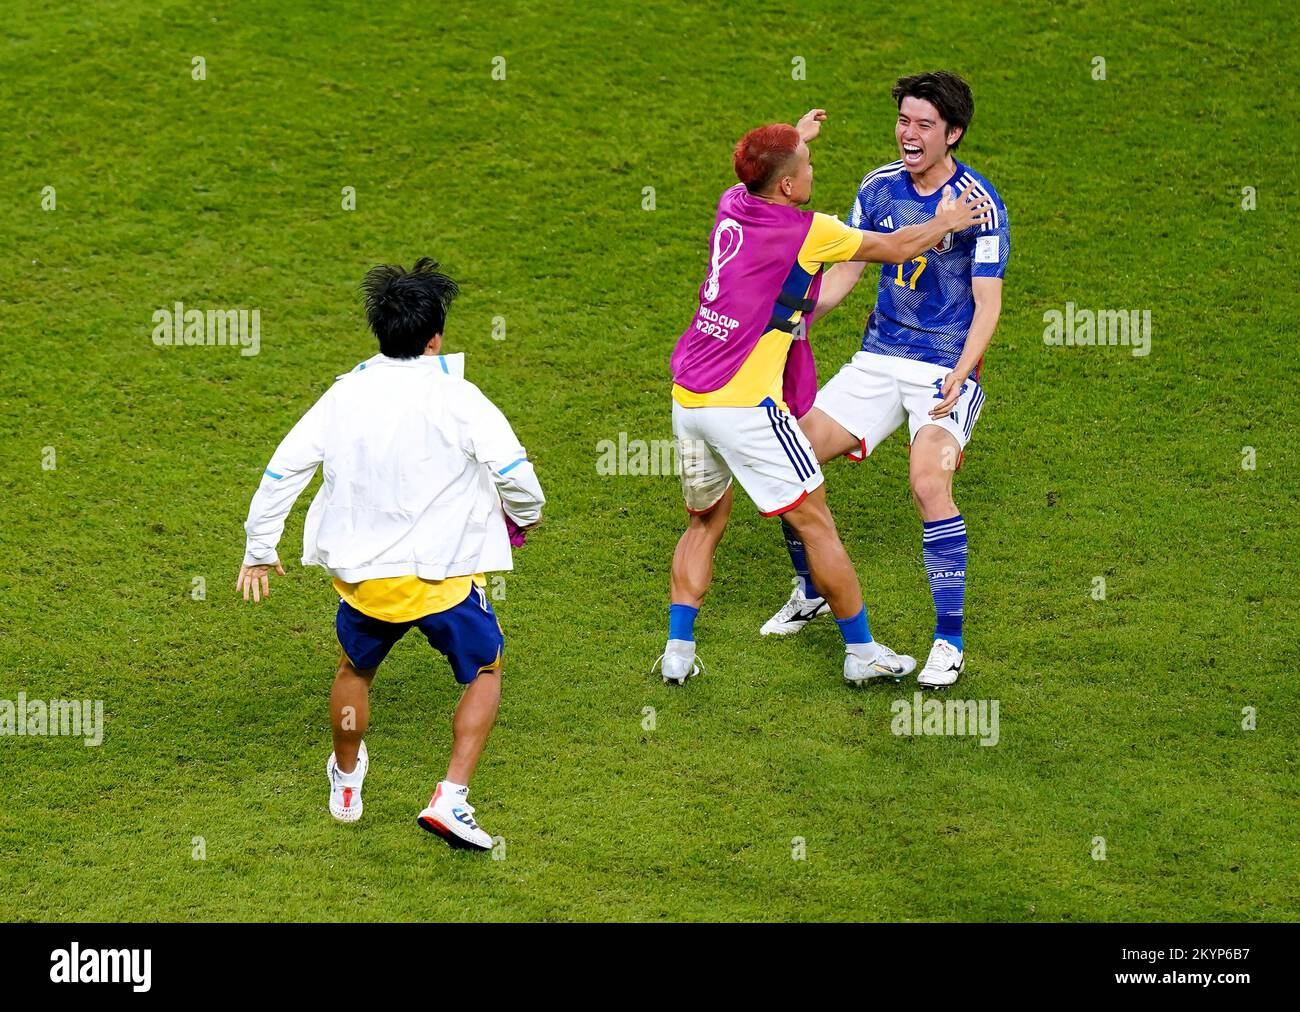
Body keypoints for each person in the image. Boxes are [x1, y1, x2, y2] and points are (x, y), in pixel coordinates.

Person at [660, 109, 991, 687]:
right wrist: (949, 219)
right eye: (806, 165)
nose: (813, 171)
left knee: (704, 521)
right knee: (818, 526)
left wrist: (794, 137)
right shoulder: (807, 230)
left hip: (688, 397)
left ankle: (678, 649)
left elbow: (758, 167)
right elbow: (893, 248)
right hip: (744, 405)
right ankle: (861, 652)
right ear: (786, 185)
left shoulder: (732, 202)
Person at [236, 258, 544, 850]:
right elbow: (517, 476)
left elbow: (283, 470)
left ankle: (347, 779)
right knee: (486, 672)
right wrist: (521, 520)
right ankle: (451, 799)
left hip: (367, 584)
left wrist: (259, 548)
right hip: (445, 584)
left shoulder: (343, 396)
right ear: (436, 337)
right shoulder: (462, 397)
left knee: (356, 670)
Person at [759, 72, 1010, 691]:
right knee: (789, 459)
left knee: (929, 483)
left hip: (943, 367)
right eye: (904, 120)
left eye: (924, 124)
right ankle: (812, 589)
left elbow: (988, 302)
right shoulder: (878, 187)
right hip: (879, 358)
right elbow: (848, 269)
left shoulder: (979, 202)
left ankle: (948, 642)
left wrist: (961, 370)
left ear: (952, 134)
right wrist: (797, 318)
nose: (909, 133)